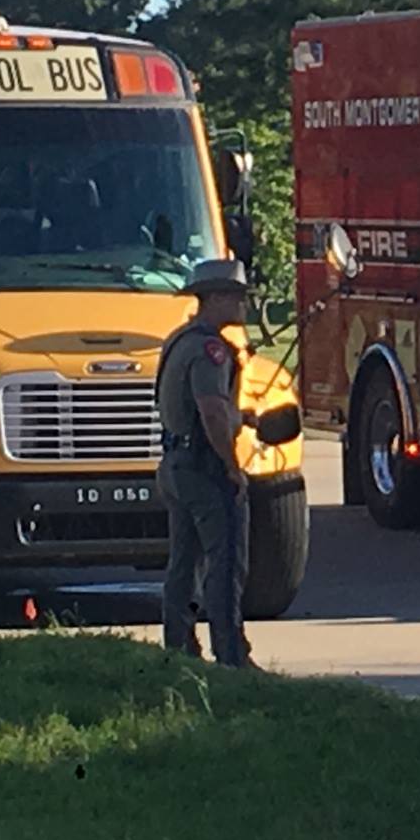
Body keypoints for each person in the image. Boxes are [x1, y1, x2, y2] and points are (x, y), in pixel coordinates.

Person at [158, 259, 259, 668]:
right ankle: (231, 655)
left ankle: (178, 648)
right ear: (214, 298)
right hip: (205, 468)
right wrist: (232, 467)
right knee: (226, 561)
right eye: (235, 297)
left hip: (175, 464)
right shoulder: (211, 350)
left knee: (183, 561)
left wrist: (244, 417)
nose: (242, 306)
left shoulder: (179, 340)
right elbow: (212, 412)